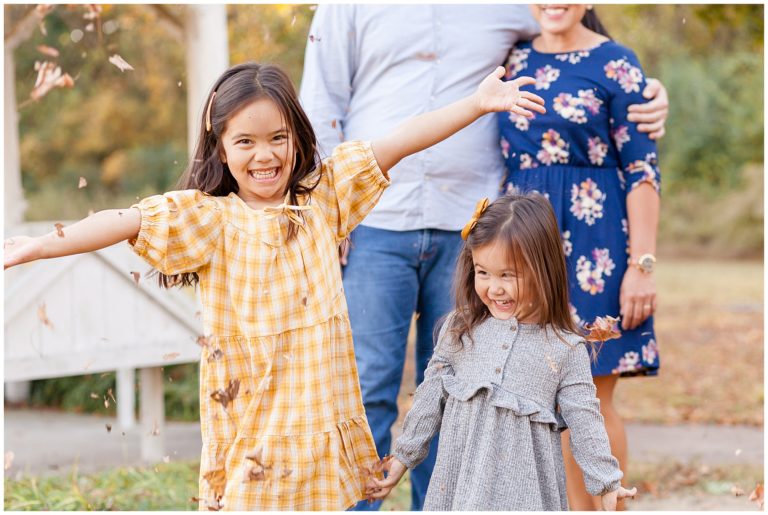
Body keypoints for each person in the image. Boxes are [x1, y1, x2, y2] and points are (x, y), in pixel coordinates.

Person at [3, 62, 545, 510]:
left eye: (277, 138)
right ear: (220, 149)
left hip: (318, 418)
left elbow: (398, 142)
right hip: (254, 427)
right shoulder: (209, 219)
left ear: (295, 137)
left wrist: (476, 104)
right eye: (245, 141)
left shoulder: (323, 198)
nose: (264, 155)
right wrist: (43, 244)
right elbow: (126, 220)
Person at [299, 5, 668, 510]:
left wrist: (649, 93)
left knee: (544, 396)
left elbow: (630, 141)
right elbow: (321, 100)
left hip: (532, 236)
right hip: (429, 227)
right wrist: (328, 206)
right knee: (380, 387)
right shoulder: (359, 8)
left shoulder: (524, 17)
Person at [364, 193, 638, 510]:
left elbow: (587, 422)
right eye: (483, 272)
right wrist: (402, 457)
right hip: (459, 492)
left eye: (508, 275)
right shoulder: (459, 329)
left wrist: (606, 484)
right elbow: (429, 398)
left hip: (526, 497)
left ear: (543, 269)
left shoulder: (564, 347)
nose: (494, 288)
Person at [498, 5, 661, 510]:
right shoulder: (510, 60)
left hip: (597, 245)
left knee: (590, 396)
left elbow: (642, 172)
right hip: (524, 243)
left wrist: (642, 265)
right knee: (538, 397)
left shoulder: (617, 63)